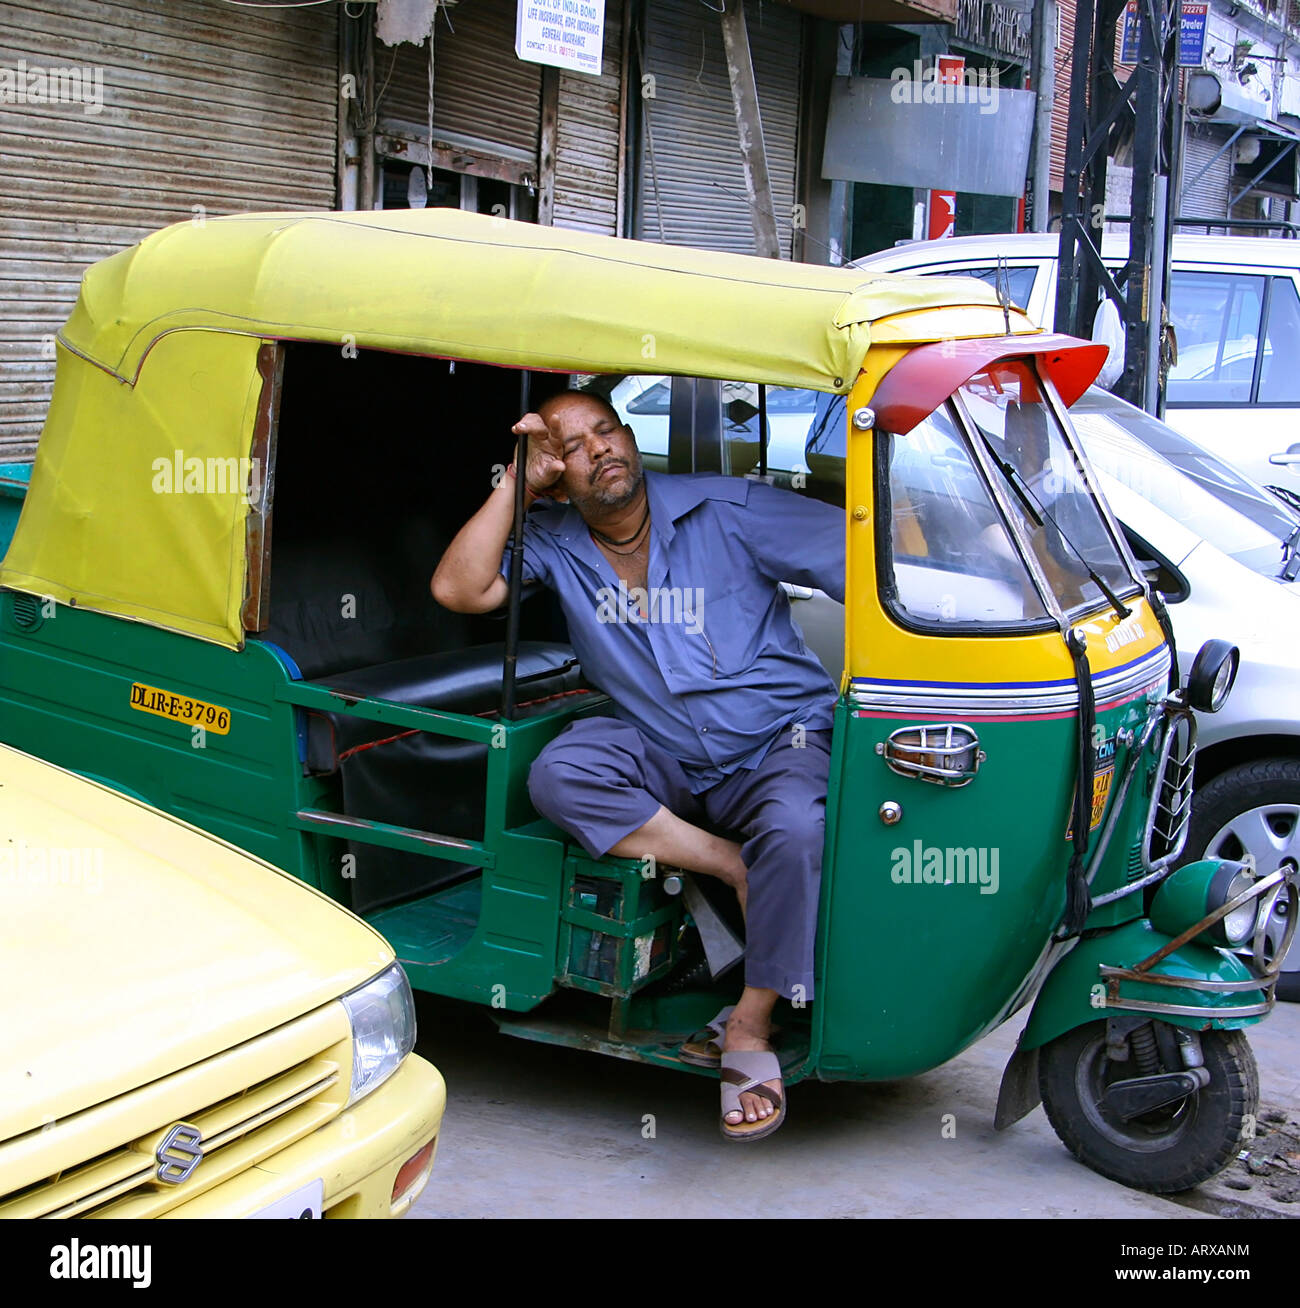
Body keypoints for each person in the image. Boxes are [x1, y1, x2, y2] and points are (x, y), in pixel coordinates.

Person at [431, 387, 844, 1140]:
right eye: (574, 446)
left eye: (606, 431)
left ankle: (750, 1025)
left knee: (792, 830)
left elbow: (864, 557)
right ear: (556, 471)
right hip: (667, 752)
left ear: (628, 434)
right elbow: (459, 588)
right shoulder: (554, 539)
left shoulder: (728, 510)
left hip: (777, 742)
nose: (600, 450)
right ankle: (729, 866)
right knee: (560, 773)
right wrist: (515, 483)